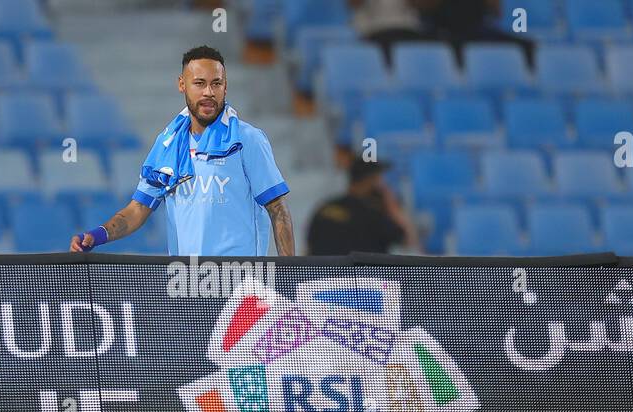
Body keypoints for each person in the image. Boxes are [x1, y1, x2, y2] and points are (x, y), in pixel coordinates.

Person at [70, 46, 295, 256]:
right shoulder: (167, 144)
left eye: (216, 83)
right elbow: (138, 209)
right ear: (182, 84)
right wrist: (96, 236)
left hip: (242, 282)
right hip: (186, 284)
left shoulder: (248, 139)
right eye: (199, 83)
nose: (209, 92)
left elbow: (278, 210)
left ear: (225, 87)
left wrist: (288, 275)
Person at [306, 160, 419, 255]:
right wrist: (392, 205)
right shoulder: (374, 215)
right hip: (366, 279)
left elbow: (308, 250)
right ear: (369, 182)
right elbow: (408, 240)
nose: (383, 185)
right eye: (378, 180)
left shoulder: (325, 208)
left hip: (324, 278)